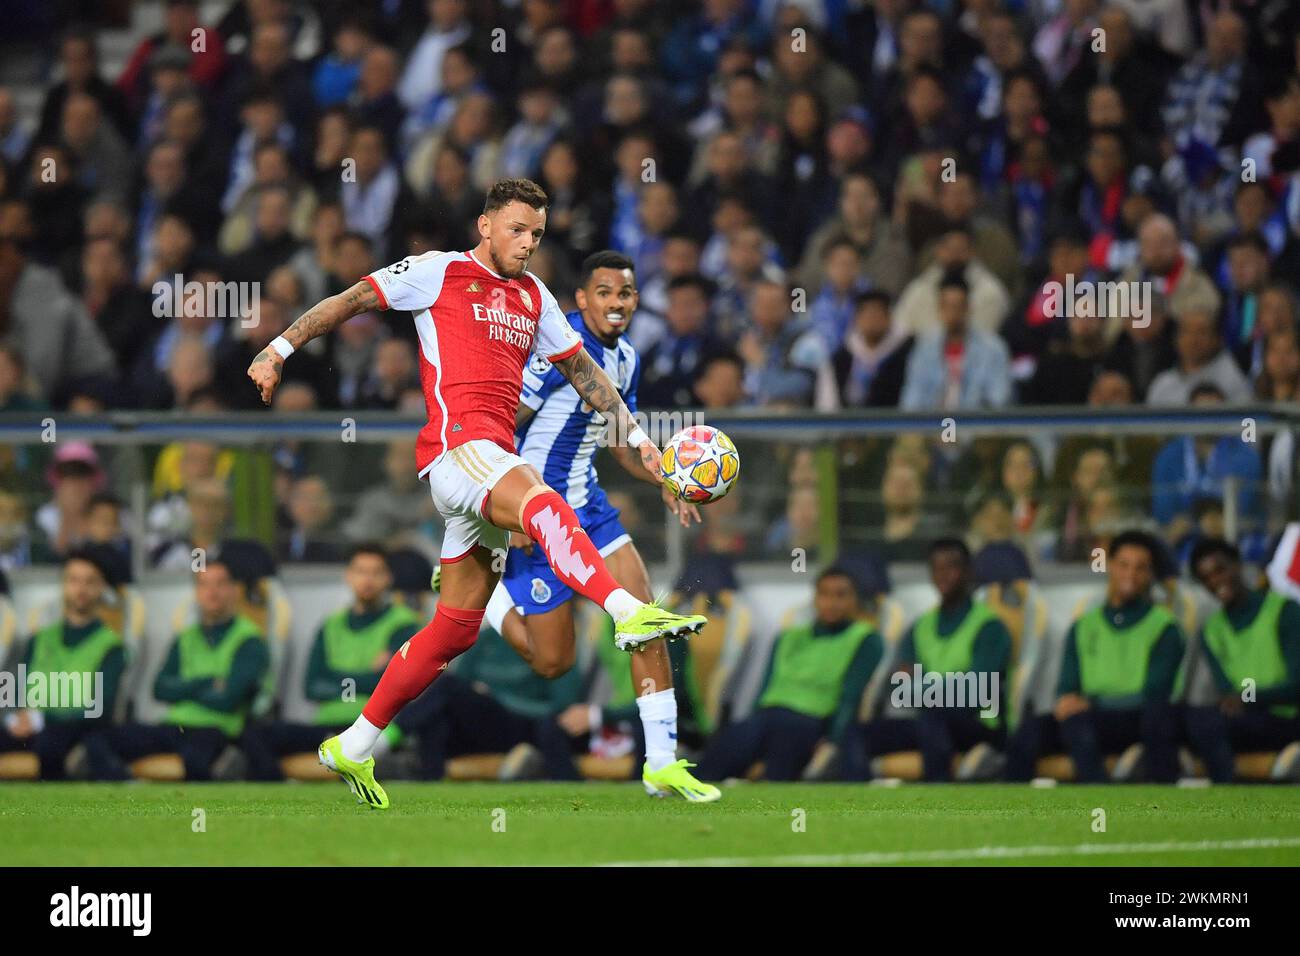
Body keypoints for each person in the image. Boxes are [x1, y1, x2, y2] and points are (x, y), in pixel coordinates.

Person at [246, 178, 706, 809]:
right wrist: (278, 348)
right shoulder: (438, 272)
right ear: (485, 225)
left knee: (455, 629)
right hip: (457, 450)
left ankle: (353, 745)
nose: (527, 243)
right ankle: (626, 611)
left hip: (486, 466)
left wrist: (641, 441)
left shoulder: (534, 297)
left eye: (537, 234)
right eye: (517, 229)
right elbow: (352, 300)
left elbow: (582, 371)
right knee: (541, 497)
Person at [474, 249, 718, 801]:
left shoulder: (627, 358)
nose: (615, 302)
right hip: (535, 515)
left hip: (589, 510)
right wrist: (503, 500)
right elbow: (504, 420)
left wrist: (665, 481)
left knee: (643, 617)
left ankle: (661, 762)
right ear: (581, 300)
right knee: (552, 663)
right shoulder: (554, 354)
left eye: (625, 293)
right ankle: (489, 599)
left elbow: (618, 436)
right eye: (604, 292)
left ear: (635, 301)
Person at [1006, 530, 1185, 782]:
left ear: (1150, 574)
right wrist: (1069, 701)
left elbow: (1156, 693)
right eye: (1123, 565)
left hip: (1138, 718)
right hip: (1090, 719)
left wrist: (1091, 703)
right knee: (1030, 731)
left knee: (1155, 719)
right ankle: (1013, 812)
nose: (1130, 575)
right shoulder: (1084, 626)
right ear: (1110, 566)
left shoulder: (1165, 627)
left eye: (1140, 568)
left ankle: (1102, 797)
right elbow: (1067, 688)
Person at [243, 545, 419, 781]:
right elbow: (312, 685)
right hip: (327, 726)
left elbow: (398, 683)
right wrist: (370, 677)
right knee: (256, 735)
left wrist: (337, 677)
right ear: (348, 576)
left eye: (376, 572)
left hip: (371, 726)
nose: (367, 580)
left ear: (388, 578)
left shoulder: (403, 624)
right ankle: (284, 788)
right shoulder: (331, 625)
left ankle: (349, 767)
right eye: (360, 571)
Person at [85, 559, 269, 781]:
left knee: (195, 759)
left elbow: (228, 698)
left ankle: (216, 794)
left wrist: (183, 688)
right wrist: (209, 682)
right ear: (197, 592)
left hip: (217, 730)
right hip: (175, 726)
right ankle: (131, 794)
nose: (212, 592)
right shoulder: (186, 637)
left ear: (234, 590)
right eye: (204, 584)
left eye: (220, 584)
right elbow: (160, 689)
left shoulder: (249, 640)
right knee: (98, 740)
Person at [695, 567, 882, 782]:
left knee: (779, 770)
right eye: (824, 594)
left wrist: (832, 741)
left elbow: (850, 697)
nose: (831, 602)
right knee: (723, 750)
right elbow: (765, 688)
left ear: (854, 600)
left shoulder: (865, 639)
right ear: (815, 598)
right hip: (767, 716)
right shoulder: (788, 638)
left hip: (810, 721)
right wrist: (754, 717)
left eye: (840, 595)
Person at [855, 539, 1011, 781]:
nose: (943, 575)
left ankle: (938, 803)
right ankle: (855, 808)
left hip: (979, 726)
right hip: (929, 722)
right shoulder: (920, 626)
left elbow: (977, 692)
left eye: (951, 567)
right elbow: (899, 689)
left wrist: (923, 687)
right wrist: (949, 686)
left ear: (968, 572)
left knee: (934, 719)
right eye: (937, 568)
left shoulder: (989, 627)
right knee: (858, 734)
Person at [0, 551, 124, 778]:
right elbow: (14, 693)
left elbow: (99, 710)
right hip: (30, 726)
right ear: (64, 585)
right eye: (73, 580)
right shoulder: (39, 639)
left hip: (74, 729)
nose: (81, 589)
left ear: (101, 588)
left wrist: (42, 719)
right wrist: (14, 719)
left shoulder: (111, 646)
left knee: (50, 746)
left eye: (89, 581)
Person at [1185, 538, 1300, 782]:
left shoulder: (1284, 611)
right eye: (1206, 578)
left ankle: (1227, 791)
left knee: (1208, 723)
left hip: (1286, 717)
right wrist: (1239, 701)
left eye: (1220, 570)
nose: (1215, 581)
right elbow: (1227, 693)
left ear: (1237, 565)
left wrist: (1248, 698)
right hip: (1245, 720)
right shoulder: (1212, 630)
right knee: (1185, 717)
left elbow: (1296, 685)